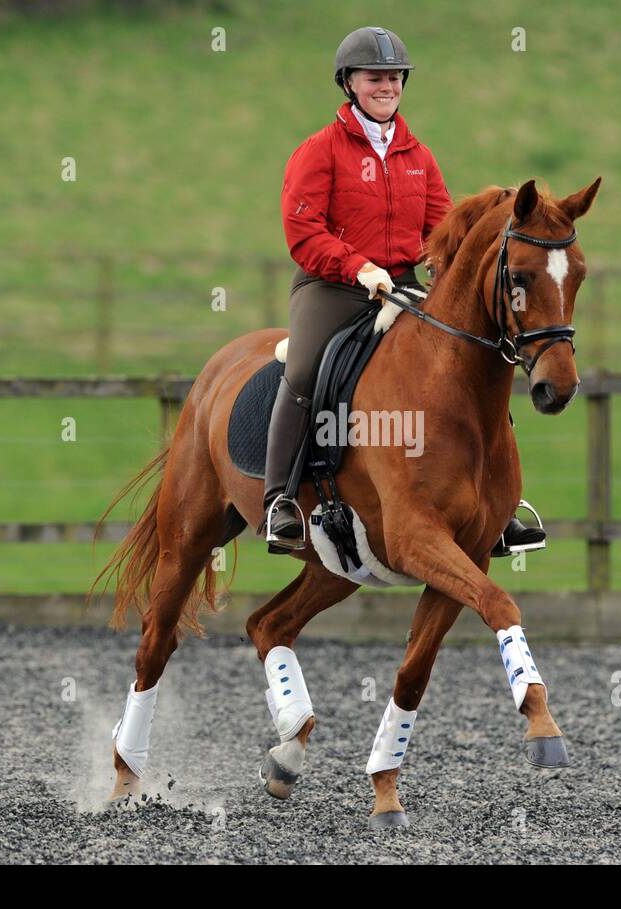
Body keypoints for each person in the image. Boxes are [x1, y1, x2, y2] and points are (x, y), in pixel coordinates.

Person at [263, 26, 547, 558]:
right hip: (332, 286)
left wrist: (449, 270)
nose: (386, 87)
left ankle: (503, 508)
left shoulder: (419, 155)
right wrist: (357, 265)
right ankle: (279, 499)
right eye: (375, 78)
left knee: (476, 362)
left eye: (394, 78)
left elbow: (444, 230)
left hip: (403, 284)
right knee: (304, 370)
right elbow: (303, 231)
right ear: (349, 83)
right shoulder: (318, 151)